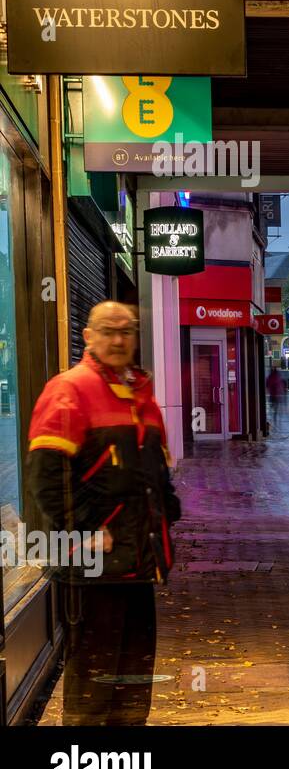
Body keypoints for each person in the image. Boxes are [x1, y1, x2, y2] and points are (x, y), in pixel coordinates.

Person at [26, 301, 180, 725]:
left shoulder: (140, 395)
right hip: (92, 569)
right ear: (88, 336)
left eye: (126, 331)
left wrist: (168, 512)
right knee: (93, 689)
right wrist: (88, 529)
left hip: (137, 565)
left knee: (132, 684)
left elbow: (156, 472)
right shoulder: (68, 390)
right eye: (107, 331)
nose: (117, 340)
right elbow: (46, 479)